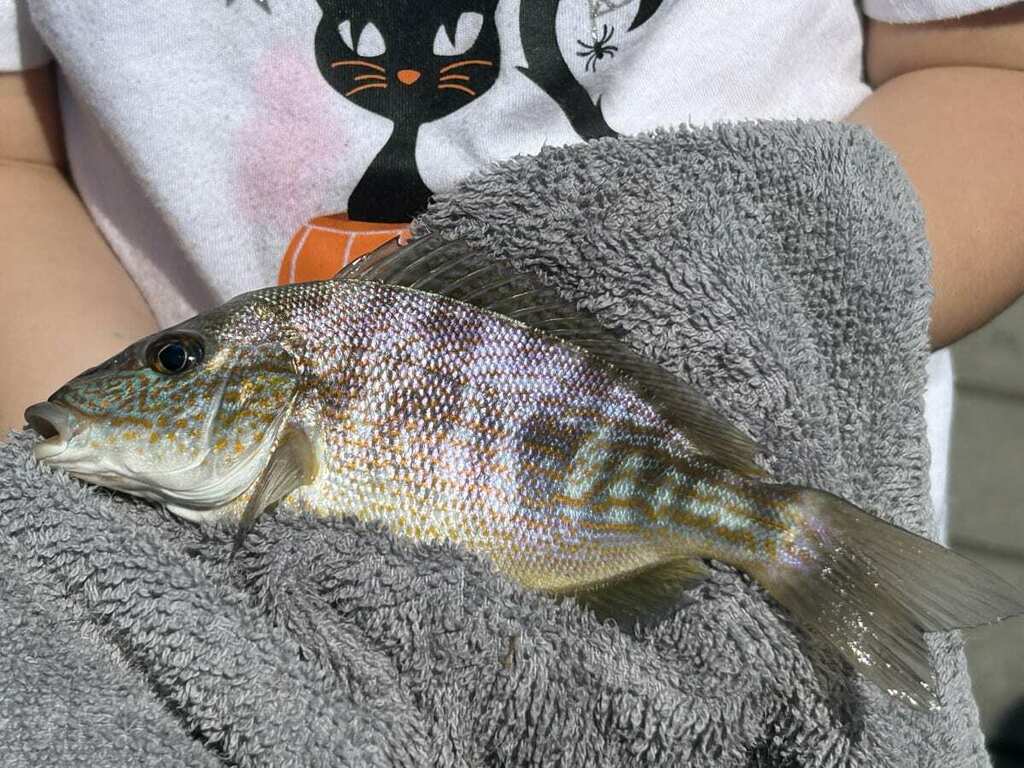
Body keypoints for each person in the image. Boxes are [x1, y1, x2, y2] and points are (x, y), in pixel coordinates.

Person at [2, 0, 1023, 534]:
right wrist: (130, 513)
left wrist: (718, 342)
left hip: (775, 456)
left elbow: (988, 73)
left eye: (181, 369)